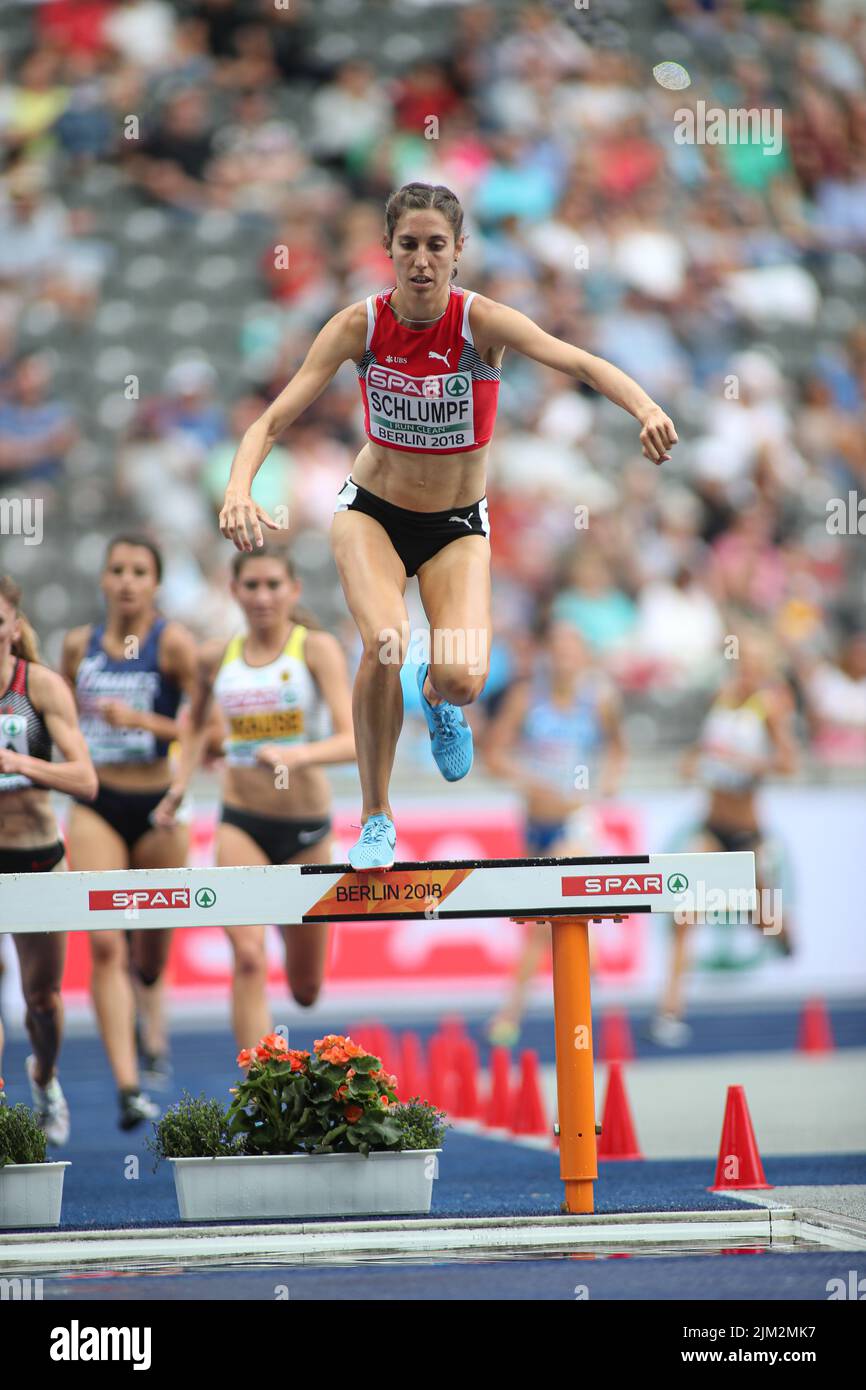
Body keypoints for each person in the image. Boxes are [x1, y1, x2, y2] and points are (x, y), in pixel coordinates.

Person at [218, 181, 677, 869]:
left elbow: (578, 360)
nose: (423, 260)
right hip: (372, 512)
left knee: (464, 678)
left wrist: (643, 407)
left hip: (457, 526)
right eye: (409, 245)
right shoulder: (359, 326)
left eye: (437, 245)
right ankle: (376, 818)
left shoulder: (480, 323)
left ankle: (436, 695)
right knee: (384, 641)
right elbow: (272, 419)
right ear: (388, 250)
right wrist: (237, 486)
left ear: (459, 251)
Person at [154, 548, 355, 1049]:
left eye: (273, 585)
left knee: (306, 991)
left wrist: (298, 756)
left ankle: (292, 925)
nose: (262, 596)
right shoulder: (214, 656)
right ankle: (263, 1086)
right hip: (241, 821)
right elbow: (195, 723)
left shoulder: (316, 649)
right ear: (234, 591)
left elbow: (355, 740)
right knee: (247, 956)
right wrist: (178, 787)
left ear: (294, 590)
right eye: (252, 586)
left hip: (306, 829)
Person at [61, 536, 198, 1128]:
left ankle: (152, 1019)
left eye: (139, 571)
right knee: (106, 942)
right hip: (98, 801)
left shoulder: (174, 643)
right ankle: (126, 1087)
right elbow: (59, 716)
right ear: (102, 578)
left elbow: (204, 726)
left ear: (156, 582)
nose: (126, 581)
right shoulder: (77, 646)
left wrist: (144, 721)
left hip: (158, 804)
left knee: (149, 955)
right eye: (116, 569)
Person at [649, 628, 798, 1046]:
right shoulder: (722, 696)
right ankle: (670, 1010)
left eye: (754, 661)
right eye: (741, 660)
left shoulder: (770, 704)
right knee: (686, 909)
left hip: (748, 832)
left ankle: (782, 932)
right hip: (711, 827)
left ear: (765, 666)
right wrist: (691, 761)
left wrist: (746, 761)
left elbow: (789, 763)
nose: (746, 668)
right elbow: (704, 746)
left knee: (761, 915)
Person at [482, 620, 626, 1045]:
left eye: (572, 648)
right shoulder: (528, 699)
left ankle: (512, 1012)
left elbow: (617, 747)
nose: (564, 657)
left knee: (552, 901)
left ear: (583, 656)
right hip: (536, 822)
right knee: (543, 922)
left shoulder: (598, 701)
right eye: (557, 648)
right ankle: (587, 974)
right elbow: (493, 753)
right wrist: (528, 779)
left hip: (577, 818)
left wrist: (608, 782)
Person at [0, 575, 97, 1143]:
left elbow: (85, 779)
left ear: (14, 624)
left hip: (37, 855)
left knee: (44, 999)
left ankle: (45, 1076)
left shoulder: (39, 686)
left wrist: (22, 764)